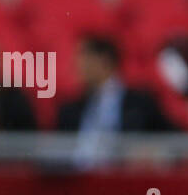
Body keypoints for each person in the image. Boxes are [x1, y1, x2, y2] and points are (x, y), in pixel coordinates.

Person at [57, 34, 175, 169]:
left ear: (104, 61)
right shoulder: (69, 109)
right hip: (79, 184)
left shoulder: (140, 104)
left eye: (84, 56)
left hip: (124, 182)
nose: (76, 63)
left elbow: (176, 141)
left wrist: (154, 150)